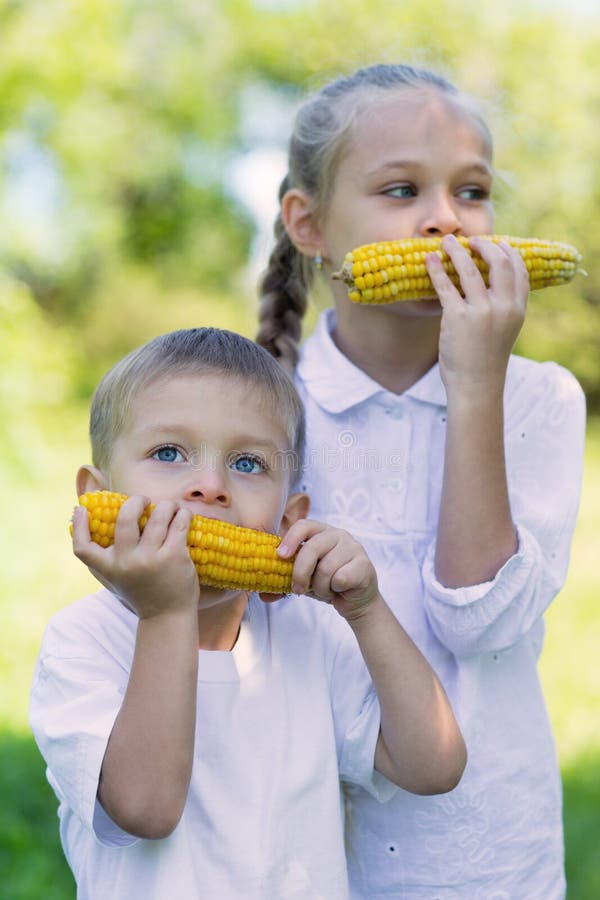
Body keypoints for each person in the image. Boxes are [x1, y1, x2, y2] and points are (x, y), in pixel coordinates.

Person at [256, 63, 586, 898]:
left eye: (471, 193)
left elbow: (482, 622)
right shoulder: (259, 408)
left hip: (480, 849)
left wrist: (475, 384)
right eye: (401, 190)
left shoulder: (537, 397)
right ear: (310, 224)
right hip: (290, 838)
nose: (445, 220)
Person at [29, 326, 466, 900]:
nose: (209, 487)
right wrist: (165, 613)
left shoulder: (310, 635)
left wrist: (366, 610)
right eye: (168, 453)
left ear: (289, 520)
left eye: (248, 463)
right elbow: (145, 808)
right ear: (95, 498)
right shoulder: (83, 641)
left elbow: (433, 767)